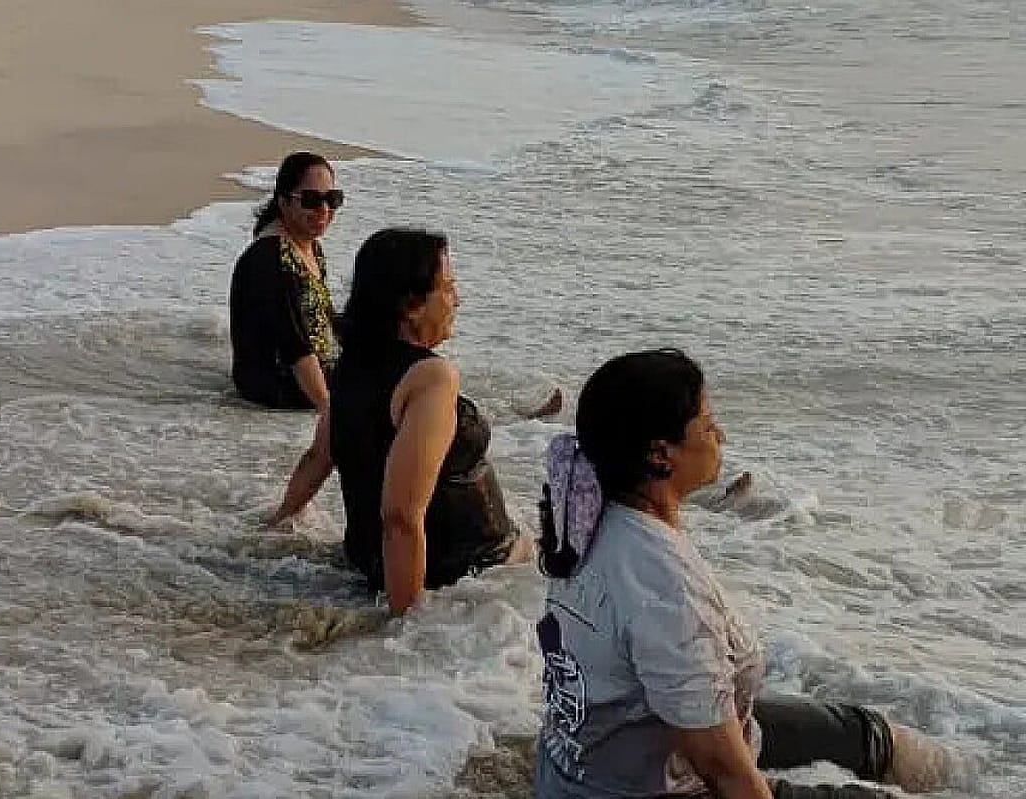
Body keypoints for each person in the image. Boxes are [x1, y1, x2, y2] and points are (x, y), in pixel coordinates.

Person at [534, 349, 960, 798]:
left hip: (591, 757)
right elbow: (722, 770)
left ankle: (975, 772)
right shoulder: (662, 585)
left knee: (866, 735)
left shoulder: (584, 519)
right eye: (707, 423)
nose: (720, 434)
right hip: (645, 784)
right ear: (661, 454)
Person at [271, 228, 532, 614]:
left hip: (370, 560)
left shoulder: (350, 367)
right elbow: (401, 514)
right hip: (465, 570)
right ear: (411, 305)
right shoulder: (431, 377)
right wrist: (407, 627)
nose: (457, 300)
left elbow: (318, 457)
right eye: (448, 288)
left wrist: (278, 523)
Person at [229, 151, 344, 411]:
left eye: (332, 199)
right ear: (284, 202)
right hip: (279, 385)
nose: (324, 210)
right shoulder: (271, 259)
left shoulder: (309, 247)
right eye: (311, 200)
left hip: (310, 372)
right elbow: (294, 344)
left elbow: (324, 318)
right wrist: (328, 410)